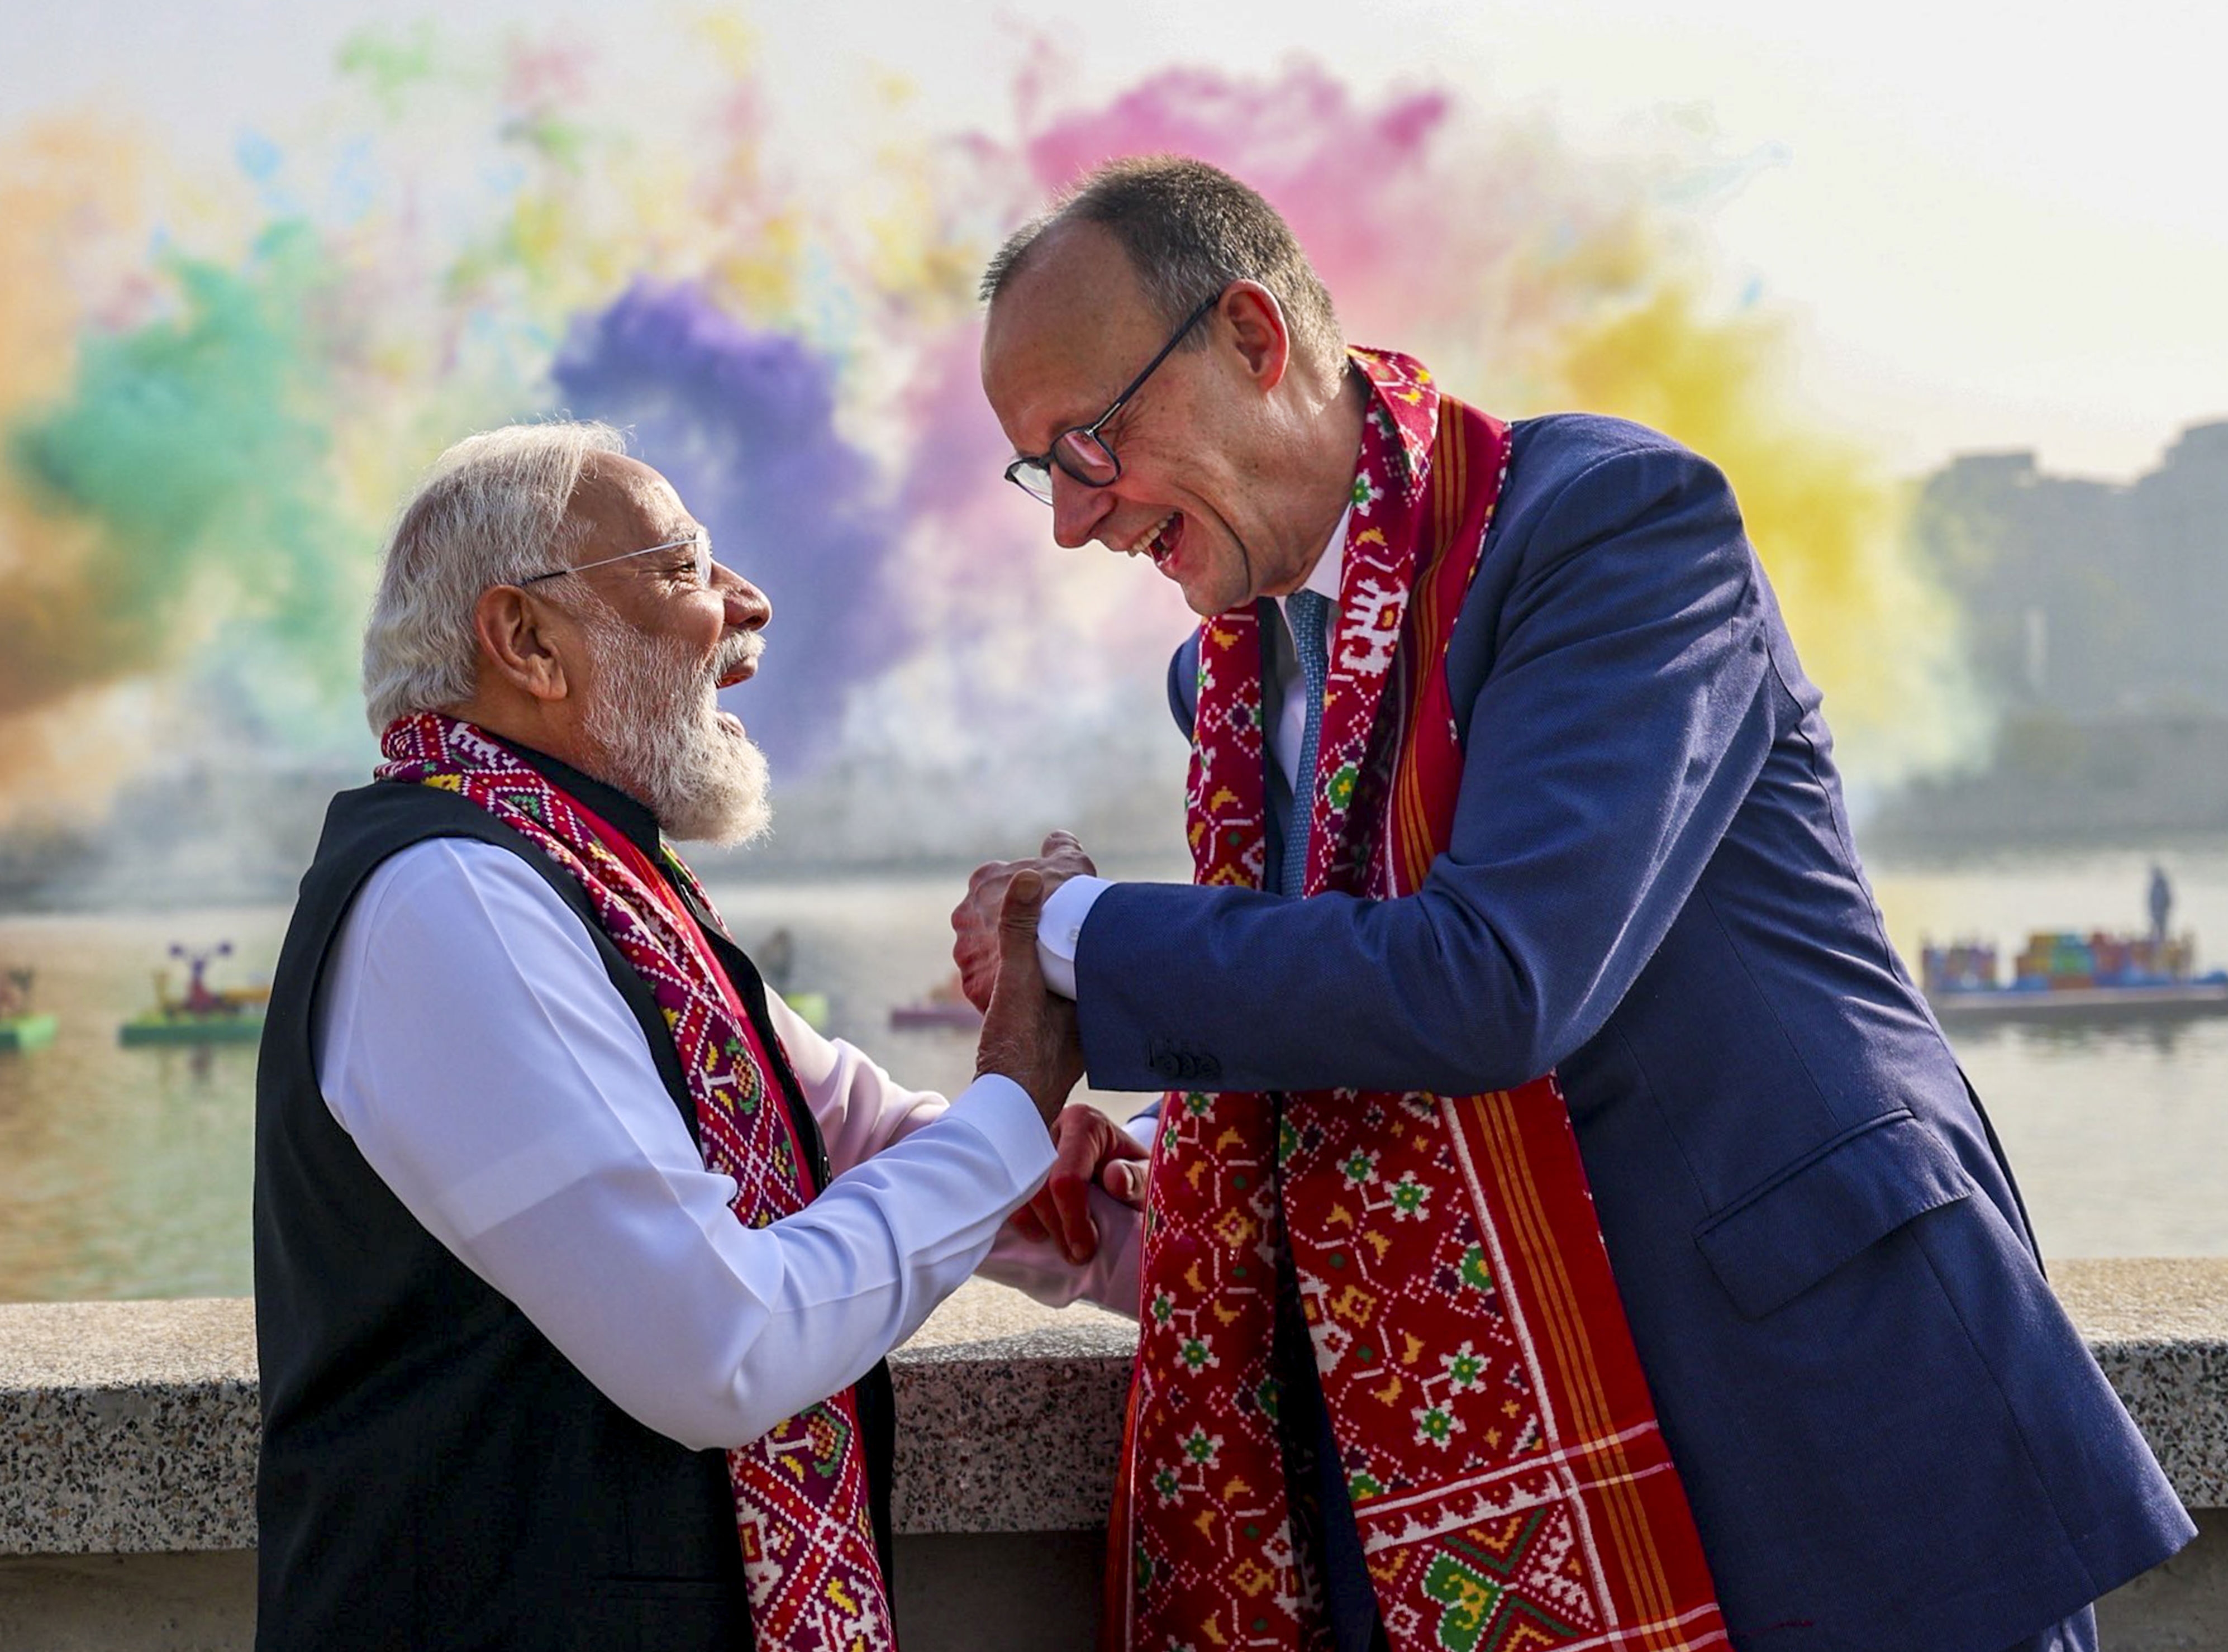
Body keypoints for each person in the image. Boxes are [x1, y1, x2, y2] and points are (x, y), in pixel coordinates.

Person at [956, 157, 2194, 1652]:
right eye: (1044, 467)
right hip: (1532, 1453)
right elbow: (1355, 1017)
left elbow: (1496, 979)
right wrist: (1176, 1165)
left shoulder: (1608, 529)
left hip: (1818, 1420)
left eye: (1094, 438)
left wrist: (1073, 935)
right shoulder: (1230, 680)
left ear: (1252, 337)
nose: (1074, 523)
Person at [253, 422, 1127, 1651]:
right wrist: (1017, 1093)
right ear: (527, 642)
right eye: (681, 568)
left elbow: (858, 1136)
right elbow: (722, 1348)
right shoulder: (452, 897)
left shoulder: (589, 878)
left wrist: (1110, 1209)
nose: (744, 604)